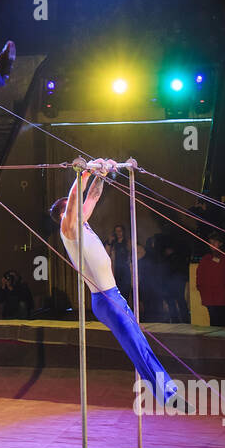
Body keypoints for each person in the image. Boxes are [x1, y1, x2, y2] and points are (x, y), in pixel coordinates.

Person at [51, 160, 177, 401]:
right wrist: (85, 172)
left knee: (139, 341)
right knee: (135, 344)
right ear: (63, 215)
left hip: (114, 295)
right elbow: (77, 195)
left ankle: (164, 389)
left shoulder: (83, 223)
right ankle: (165, 392)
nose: (78, 210)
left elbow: (93, 197)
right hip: (105, 299)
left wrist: (102, 174)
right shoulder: (68, 230)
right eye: (71, 209)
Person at [195, 235, 225, 327]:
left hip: (223, 296)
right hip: (210, 296)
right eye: (210, 243)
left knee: (223, 322)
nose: (212, 244)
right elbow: (199, 274)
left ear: (221, 243)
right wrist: (201, 288)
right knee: (213, 322)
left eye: (215, 242)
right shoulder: (205, 259)